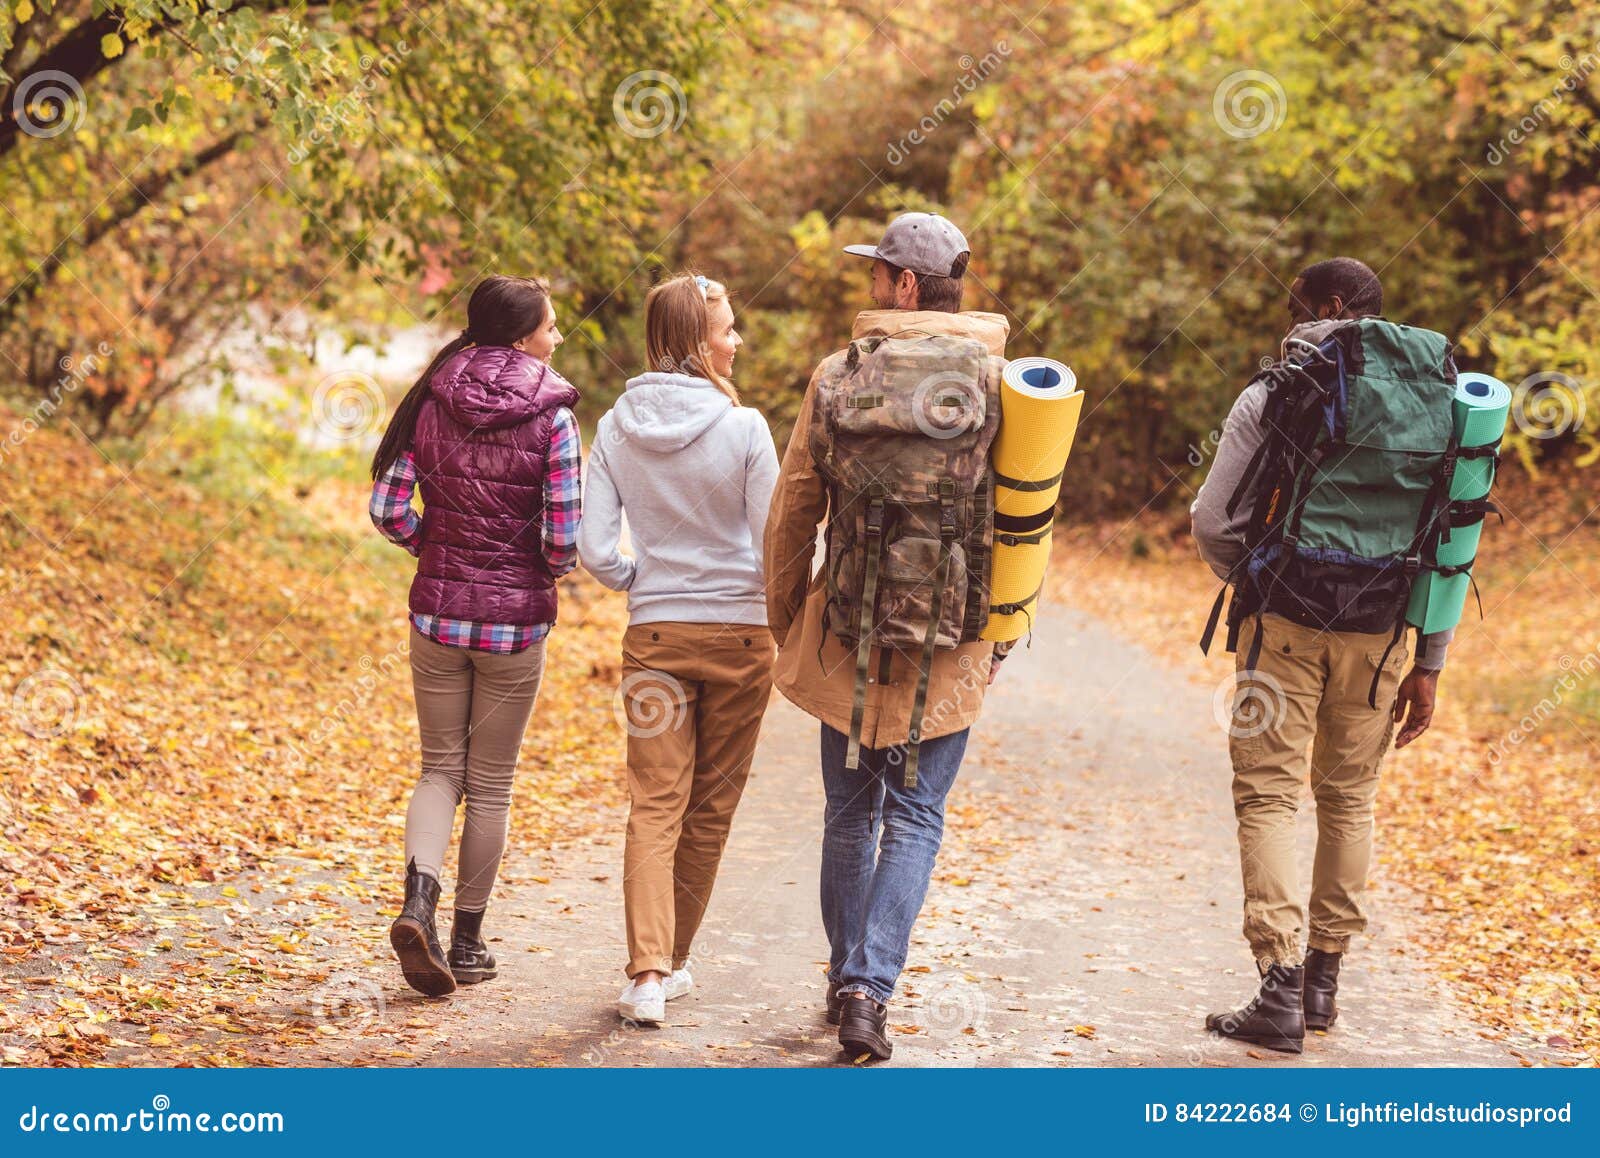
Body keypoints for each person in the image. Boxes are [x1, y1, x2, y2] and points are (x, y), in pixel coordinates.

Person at [764, 212, 1012, 1061]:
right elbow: (1023, 519)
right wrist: (1006, 629)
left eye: (878, 274)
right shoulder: (1001, 380)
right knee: (915, 816)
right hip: (952, 637)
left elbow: (796, 506)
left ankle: (844, 978)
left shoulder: (836, 375)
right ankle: (872, 990)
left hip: (849, 628)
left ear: (907, 286)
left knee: (848, 814)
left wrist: (788, 613)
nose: (870, 286)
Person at [1190, 257, 1454, 1052]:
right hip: (1381, 632)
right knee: (1349, 800)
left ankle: (1278, 987)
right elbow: (1453, 541)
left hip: (1286, 623)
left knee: (1269, 795)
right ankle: (1325, 983)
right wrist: (1430, 658)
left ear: (1331, 306)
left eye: (1297, 306)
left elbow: (1213, 520)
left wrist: (1254, 577)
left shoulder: (1279, 389)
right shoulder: (1439, 400)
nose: (1287, 320)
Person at [369, 275, 580, 997]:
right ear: (523, 336)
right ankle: (466, 941)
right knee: (491, 785)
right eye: (551, 328)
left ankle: (415, 904)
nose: (557, 340)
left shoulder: (430, 395)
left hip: (436, 618)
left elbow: (389, 507)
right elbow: (562, 536)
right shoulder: (553, 409)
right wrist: (539, 570)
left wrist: (439, 549)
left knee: (438, 771)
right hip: (515, 628)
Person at [579, 273, 779, 1025]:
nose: (737, 342)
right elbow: (774, 543)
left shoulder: (617, 427)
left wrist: (644, 580)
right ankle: (675, 962)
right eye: (728, 329)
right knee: (711, 807)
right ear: (697, 340)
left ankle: (648, 975)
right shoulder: (747, 428)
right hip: (740, 637)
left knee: (654, 805)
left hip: (656, 638)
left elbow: (594, 550)